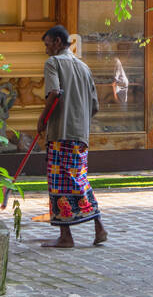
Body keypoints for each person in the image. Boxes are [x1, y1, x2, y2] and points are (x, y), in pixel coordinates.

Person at [38, 24, 107, 247]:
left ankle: (66, 236)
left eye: (48, 45)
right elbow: (95, 106)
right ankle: (98, 227)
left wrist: (42, 119)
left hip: (60, 132)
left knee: (59, 182)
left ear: (58, 42)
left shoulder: (53, 63)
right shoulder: (84, 67)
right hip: (80, 135)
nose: (47, 50)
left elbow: (55, 92)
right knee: (78, 178)